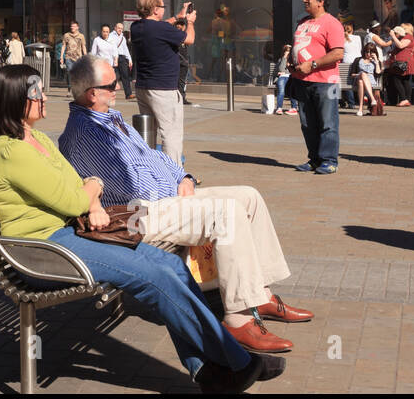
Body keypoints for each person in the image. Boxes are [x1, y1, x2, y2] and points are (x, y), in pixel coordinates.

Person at [0, 63, 285, 392]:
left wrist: (92, 195)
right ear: (15, 100)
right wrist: (89, 194)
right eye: (35, 91)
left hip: (68, 236)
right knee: (154, 277)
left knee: (169, 264)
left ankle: (207, 370)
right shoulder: (12, 152)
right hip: (43, 251)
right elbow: (72, 200)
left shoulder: (37, 138)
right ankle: (237, 363)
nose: (44, 96)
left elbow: (84, 182)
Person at [60, 55, 313, 354]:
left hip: (162, 202)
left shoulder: (110, 118)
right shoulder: (87, 132)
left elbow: (153, 158)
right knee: (226, 215)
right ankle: (239, 318)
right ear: (92, 94)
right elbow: (137, 187)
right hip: (135, 216)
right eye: (112, 83)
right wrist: (178, 190)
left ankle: (260, 294)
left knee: (248, 196)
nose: (119, 86)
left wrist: (185, 176)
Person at [129, 0, 196, 166]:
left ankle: (150, 171)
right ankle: (174, 176)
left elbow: (158, 27)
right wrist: (189, 22)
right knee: (171, 134)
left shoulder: (136, 28)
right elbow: (189, 39)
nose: (164, 9)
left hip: (143, 87)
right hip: (164, 89)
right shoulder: (161, 29)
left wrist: (177, 17)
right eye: (162, 6)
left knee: (148, 134)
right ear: (155, 9)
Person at [290, 0, 346, 174]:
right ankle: (314, 159)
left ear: (321, 2)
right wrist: (292, 63)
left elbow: (338, 53)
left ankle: (329, 161)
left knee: (328, 122)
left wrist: (312, 64)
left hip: (326, 82)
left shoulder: (332, 23)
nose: (305, 0)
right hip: (302, 80)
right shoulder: (303, 22)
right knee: (307, 124)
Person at [385, 23, 414, 107]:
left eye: (402, 27)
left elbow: (400, 45)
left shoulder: (408, 37)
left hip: (403, 63)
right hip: (402, 62)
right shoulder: (404, 37)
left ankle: (404, 99)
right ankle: (406, 100)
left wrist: (393, 36)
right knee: (405, 80)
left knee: (397, 79)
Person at [355, 42, 385, 116]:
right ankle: (372, 99)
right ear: (364, 51)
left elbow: (378, 74)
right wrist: (362, 74)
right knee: (362, 75)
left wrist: (376, 62)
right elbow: (352, 74)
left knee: (361, 81)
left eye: (371, 52)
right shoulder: (358, 60)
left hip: (369, 82)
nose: (368, 54)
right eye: (367, 51)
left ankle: (360, 109)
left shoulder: (376, 62)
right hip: (357, 78)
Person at [108, 22, 134, 99]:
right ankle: (109, 94)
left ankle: (128, 94)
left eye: (121, 28)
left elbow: (125, 49)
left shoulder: (123, 37)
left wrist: (129, 59)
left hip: (122, 58)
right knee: (113, 76)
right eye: (119, 28)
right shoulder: (110, 36)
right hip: (113, 57)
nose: (120, 30)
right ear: (115, 28)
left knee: (125, 75)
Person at [341, 22, 362, 109]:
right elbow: (360, 48)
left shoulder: (341, 38)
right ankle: (360, 100)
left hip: (346, 60)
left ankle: (351, 103)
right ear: (352, 29)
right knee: (359, 81)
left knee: (347, 83)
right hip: (357, 61)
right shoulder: (358, 37)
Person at [273, 44, 298, 115]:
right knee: (281, 92)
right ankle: (279, 108)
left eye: (289, 50)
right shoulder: (281, 59)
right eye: (286, 50)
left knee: (292, 91)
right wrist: (284, 58)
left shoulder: (294, 59)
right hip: (282, 77)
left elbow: (293, 69)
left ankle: (294, 108)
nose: (288, 52)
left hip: (291, 76)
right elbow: (281, 69)